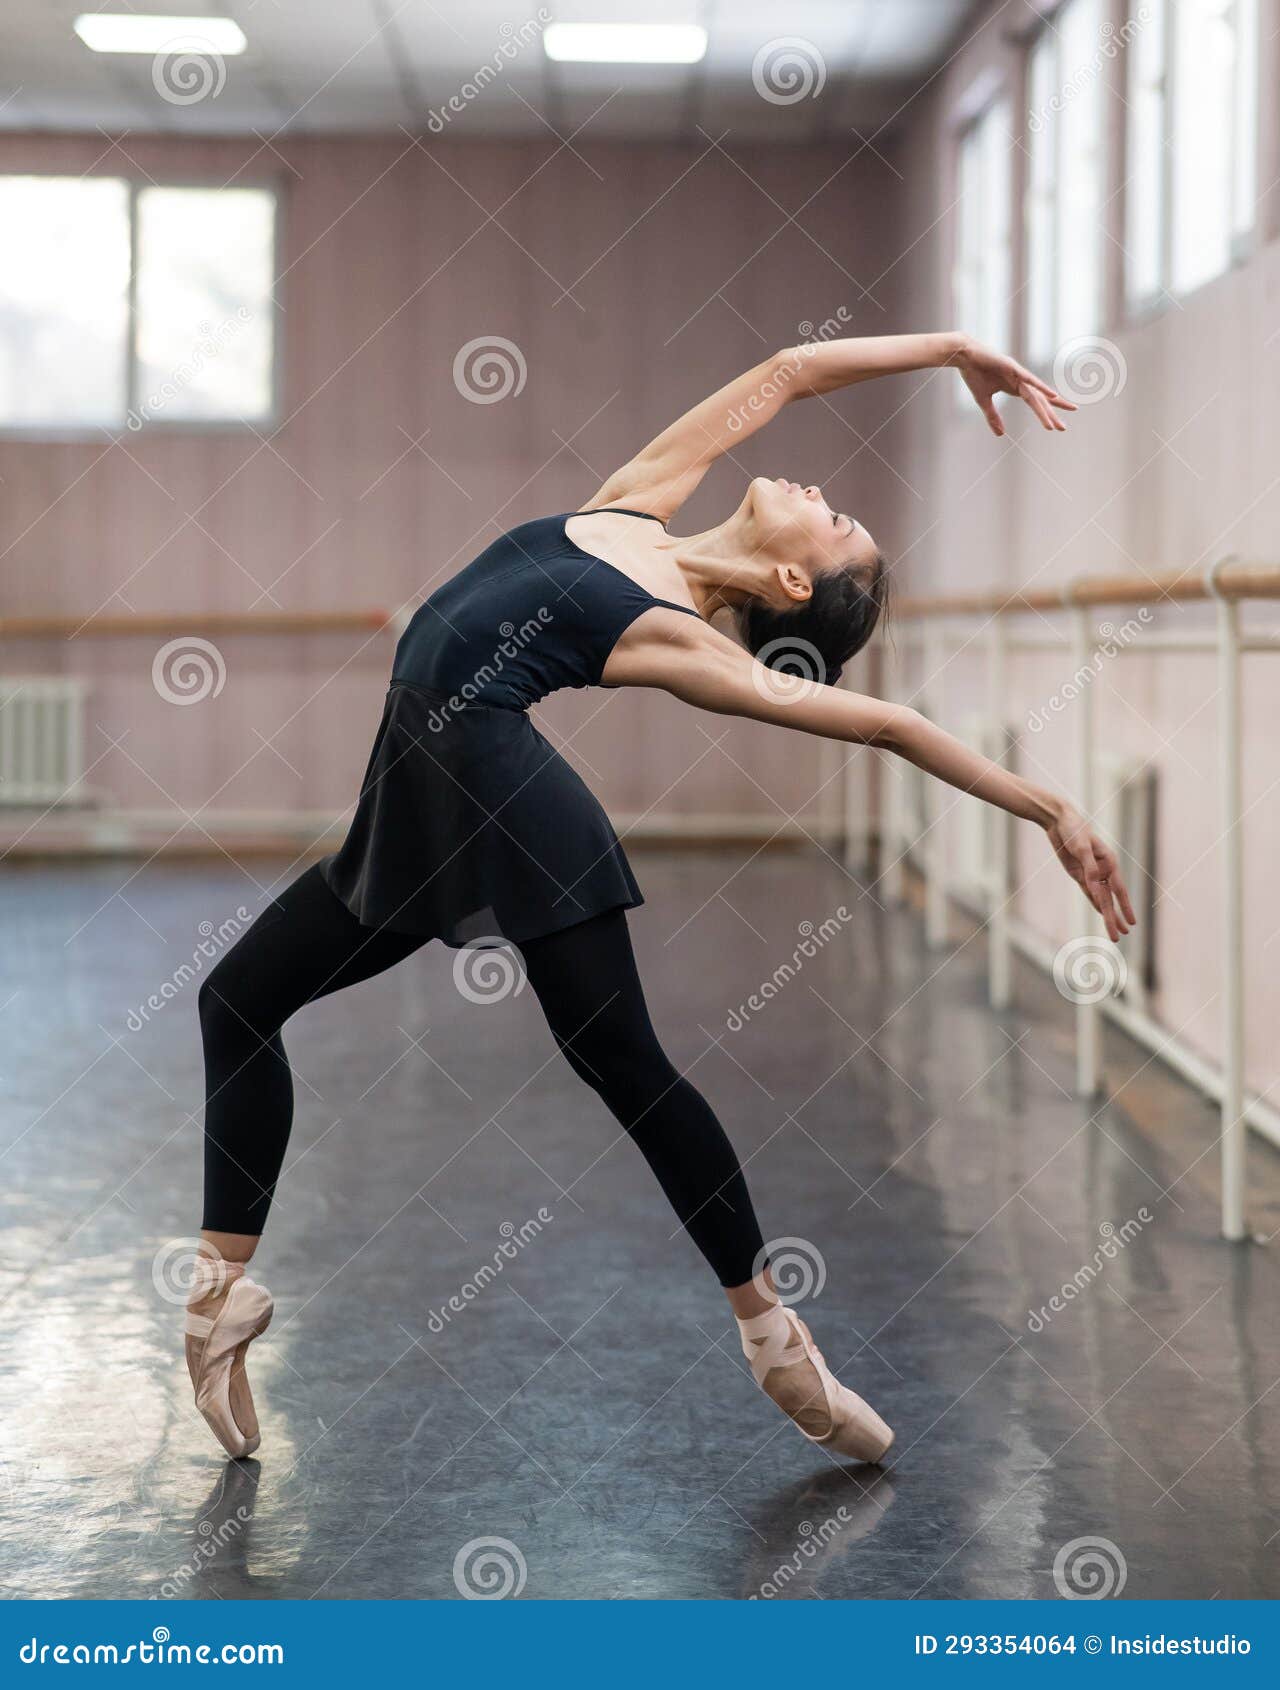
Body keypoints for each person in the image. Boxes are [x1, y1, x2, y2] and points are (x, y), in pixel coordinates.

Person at [184, 331, 1135, 1465]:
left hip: (512, 807)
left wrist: (1048, 807)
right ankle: (216, 1301)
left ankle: (774, 1339)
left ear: (793, 583)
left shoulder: (679, 640)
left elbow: (888, 724)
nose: (820, 492)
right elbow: (785, 372)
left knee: (627, 1069)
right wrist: (949, 350)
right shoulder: (633, 504)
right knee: (236, 1002)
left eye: (834, 522)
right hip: (416, 801)